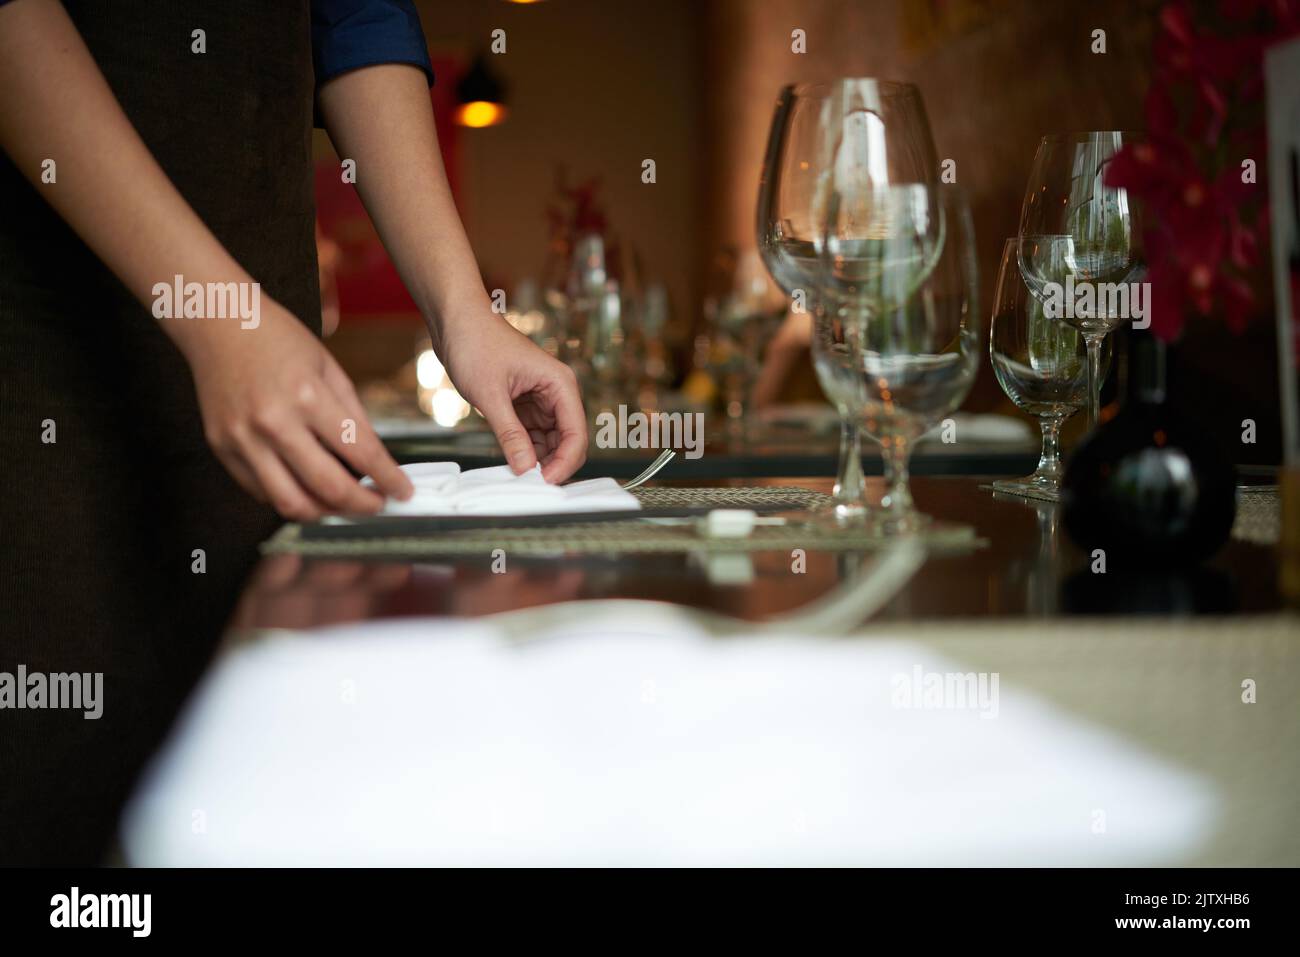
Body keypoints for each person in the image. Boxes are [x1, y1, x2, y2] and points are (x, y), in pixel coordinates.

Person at [0, 0, 587, 863]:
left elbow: (359, 15)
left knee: (259, 770)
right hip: (47, 351)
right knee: (66, 789)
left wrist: (462, 311)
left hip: (265, 342)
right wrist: (218, 317)